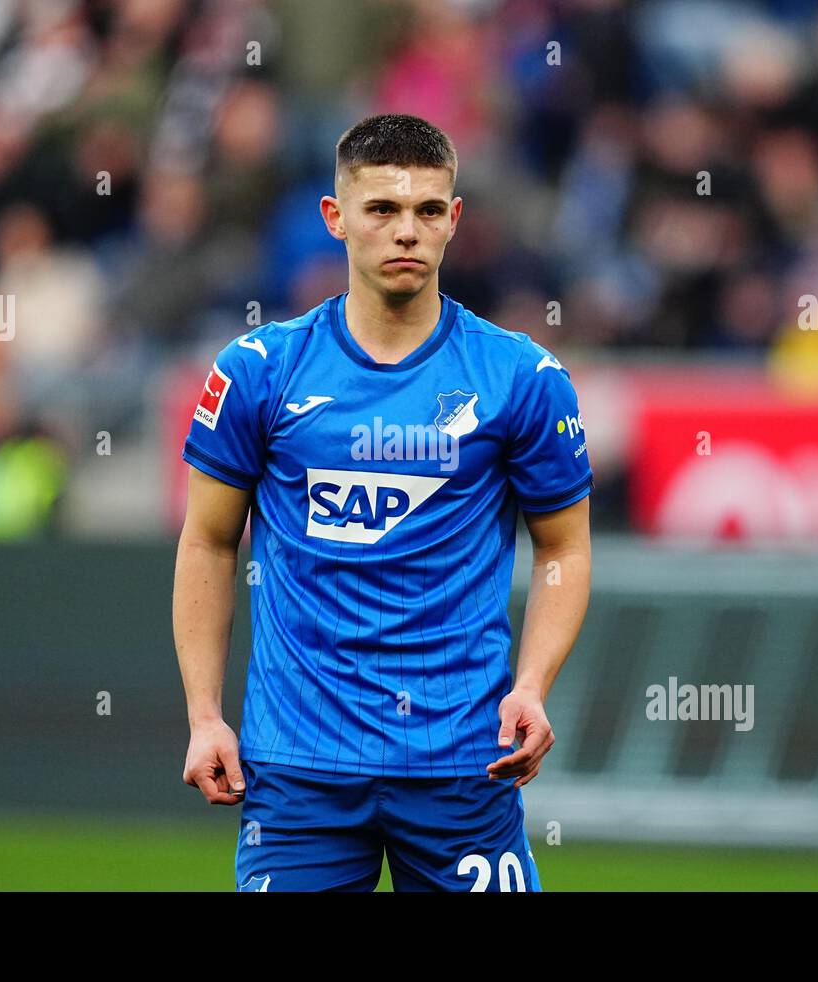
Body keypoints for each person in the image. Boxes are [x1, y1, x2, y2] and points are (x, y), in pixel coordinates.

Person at [172, 113, 593, 891]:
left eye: (429, 210)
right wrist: (204, 716)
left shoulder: (521, 378)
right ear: (336, 219)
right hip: (300, 768)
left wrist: (531, 685)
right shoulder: (259, 371)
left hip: (464, 759)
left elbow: (563, 547)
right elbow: (207, 542)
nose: (407, 231)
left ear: (454, 220)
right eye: (382, 210)